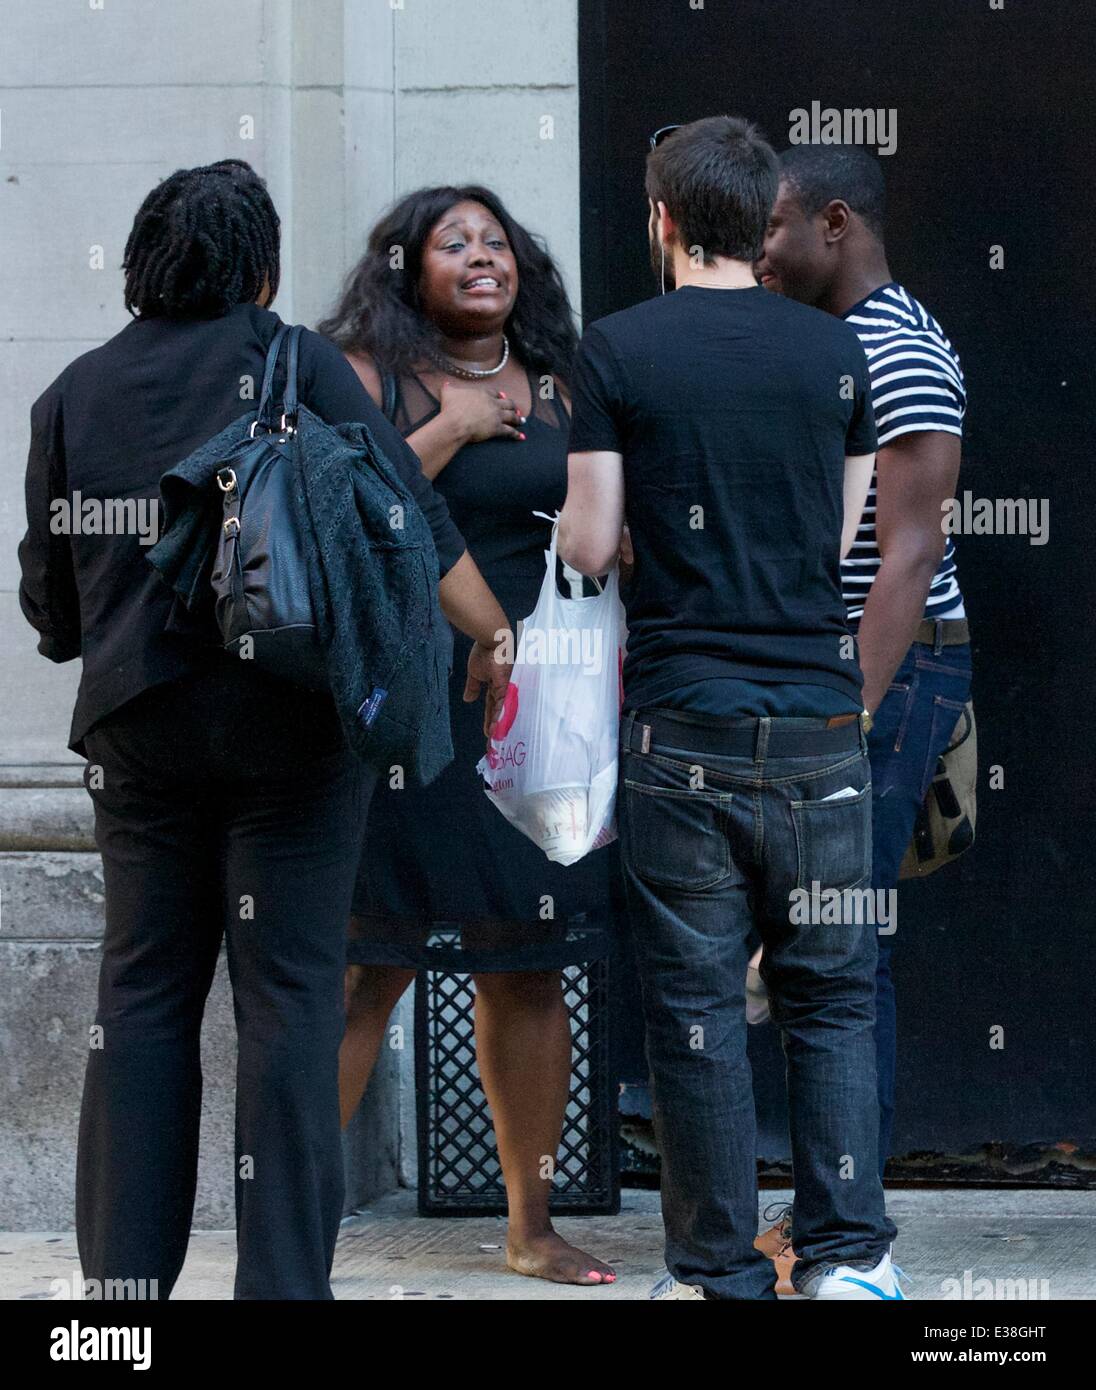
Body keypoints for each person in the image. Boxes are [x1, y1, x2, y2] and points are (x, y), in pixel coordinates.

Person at [18, 160, 510, 1300]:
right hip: (292, 731)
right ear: (261, 269)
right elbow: (408, 517)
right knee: (289, 1000)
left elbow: (50, 610)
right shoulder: (295, 362)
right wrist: (490, 632)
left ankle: (120, 1315)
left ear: (144, 259)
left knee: (137, 1000)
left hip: (139, 735)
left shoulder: (73, 393)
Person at [558, 115, 902, 1300]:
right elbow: (839, 541)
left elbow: (594, 545)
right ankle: (850, 1261)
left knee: (697, 1005)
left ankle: (717, 1272)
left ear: (661, 220)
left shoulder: (612, 352)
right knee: (831, 995)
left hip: (679, 725)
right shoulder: (835, 356)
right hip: (819, 724)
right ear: (764, 223)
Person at [319, 186, 622, 1286]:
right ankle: (294, 1225)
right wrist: (449, 425)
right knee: (369, 968)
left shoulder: (562, 382)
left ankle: (529, 1225)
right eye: (453, 242)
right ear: (407, 268)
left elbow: (599, 512)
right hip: (404, 709)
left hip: (531, 710)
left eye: (496, 241)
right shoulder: (361, 374)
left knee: (528, 967)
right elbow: (351, 510)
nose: (480, 256)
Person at [753, 142, 972, 1279]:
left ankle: (839, 1226)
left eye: (774, 229)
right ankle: (828, 1209)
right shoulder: (831, 343)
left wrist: (847, 715)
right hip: (842, 677)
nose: (760, 254)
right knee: (829, 949)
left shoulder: (901, 349)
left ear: (834, 223)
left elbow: (905, 559)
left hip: (888, 674)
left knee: (841, 946)